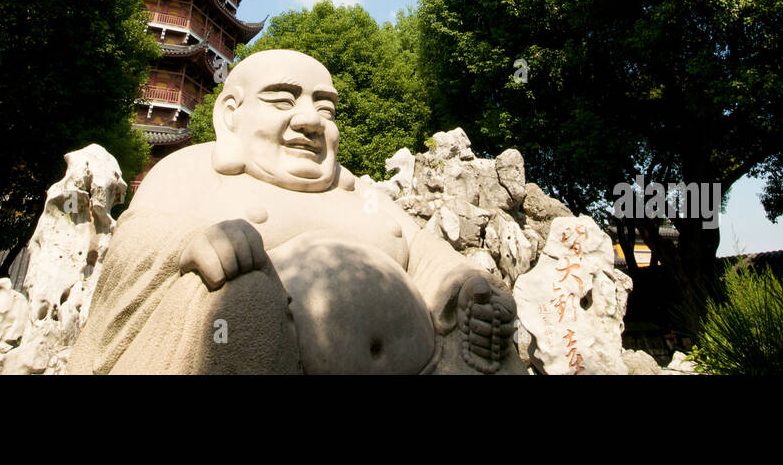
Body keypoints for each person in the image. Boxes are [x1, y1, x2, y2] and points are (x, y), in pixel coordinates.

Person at [67, 49, 521, 374]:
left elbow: (425, 251)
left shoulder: (359, 192)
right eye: (283, 100)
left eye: (325, 107)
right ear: (231, 114)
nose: (309, 120)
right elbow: (135, 239)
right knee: (238, 301)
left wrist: (466, 287)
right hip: (265, 352)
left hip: (426, 364)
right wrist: (190, 244)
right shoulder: (195, 169)